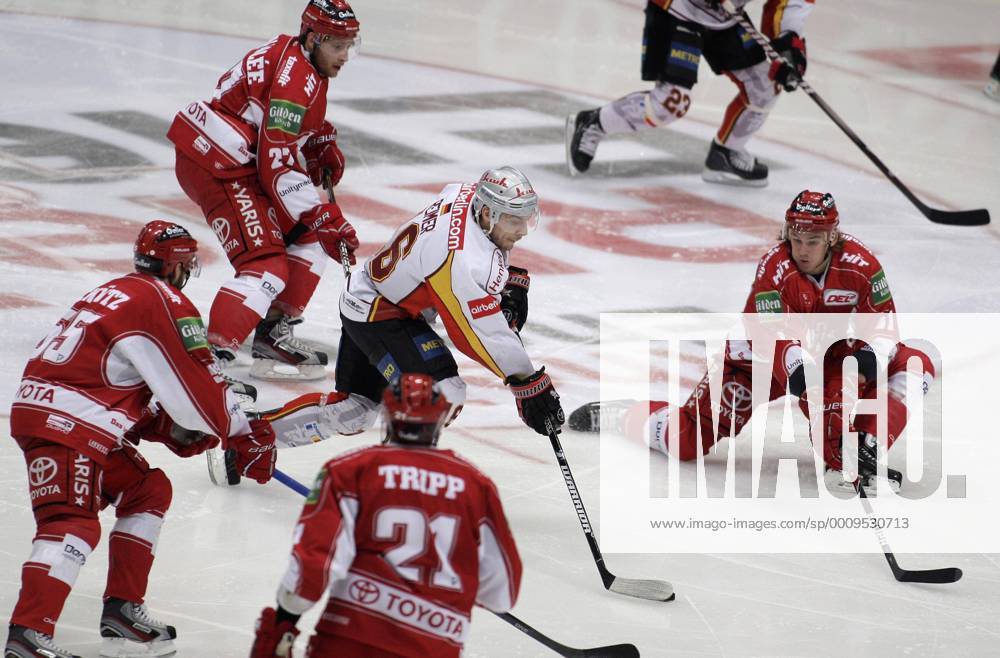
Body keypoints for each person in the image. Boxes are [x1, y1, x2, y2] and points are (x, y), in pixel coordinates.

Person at [4, 221, 277, 658]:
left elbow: (113, 377)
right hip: (68, 423)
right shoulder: (165, 301)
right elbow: (198, 382)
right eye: (186, 265)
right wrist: (242, 435)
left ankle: (122, 609)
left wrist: (167, 428)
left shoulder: (116, 290)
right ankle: (27, 638)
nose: (187, 274)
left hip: (58, 412)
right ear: (175, 266)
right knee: (69, 524)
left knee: (146, 489)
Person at [568, 191, 935, 490]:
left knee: (914, 364)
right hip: (756, 364)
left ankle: (866, 447)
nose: (802, 250)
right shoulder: (774, 268)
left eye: (813, 241)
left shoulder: (861, 265)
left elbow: (883, 323)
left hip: (827, 360)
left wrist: (873, 354)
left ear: (832, 237)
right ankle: (623, 414)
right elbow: (767, 333)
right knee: (685, 439)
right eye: (796, 239)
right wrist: (797, 366)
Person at [253, 166, 565, 447]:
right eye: (514, 221)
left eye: (526, 219)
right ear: (486, 213)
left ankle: (251, 436)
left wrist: (501, 284)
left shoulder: (465, 193)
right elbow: (477, 333)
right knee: (443, 392)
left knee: (355, 412)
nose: (523, 231)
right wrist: (526, 383)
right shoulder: (460, 259)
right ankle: (395, 472)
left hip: (369, 296)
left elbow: (461, 255)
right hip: (379, 313)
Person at [249, 373, 522, 658]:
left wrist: (284, 622)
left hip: (349, 640)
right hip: (435, 647)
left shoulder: (349, 470)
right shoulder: (476, 485)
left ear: (388, 415)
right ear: (440, 419)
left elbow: (313, 565)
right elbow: (503, 593)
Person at [167, 0, 361, 381]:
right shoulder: (295, 78)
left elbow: (268, 118)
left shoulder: (301, 58)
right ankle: (211, 364)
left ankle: (272, 334)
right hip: (218, 167)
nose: (346, 56)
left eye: (349, 45)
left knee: (308, 239)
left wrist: (316, 138)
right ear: (313, 38)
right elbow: (275, 164)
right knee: (265, 264)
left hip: (237, 159)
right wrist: (319, 211)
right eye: (338, 46)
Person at [566, 0, 814, 186]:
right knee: (670, 104)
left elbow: (791, 2)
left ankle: (726, 152)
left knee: (765, 86)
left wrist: (786, 43)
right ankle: (593, 123)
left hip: (725, 16)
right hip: (677, 9)